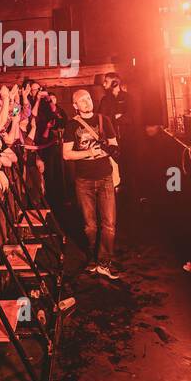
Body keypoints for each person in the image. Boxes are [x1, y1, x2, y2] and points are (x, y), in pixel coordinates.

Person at [61, 89, 119, 280]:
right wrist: (89, 153)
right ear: (76, 106)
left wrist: (107, 151)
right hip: (84, 181)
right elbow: (66, 154)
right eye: (81, 100)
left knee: (109, 224)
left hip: (105, 177)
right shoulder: (71, 126)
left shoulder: (104, 120)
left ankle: (104, 263)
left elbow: (114, 145)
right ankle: (93, 259)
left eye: (88, 98)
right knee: (90, 226)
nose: (86, 102)